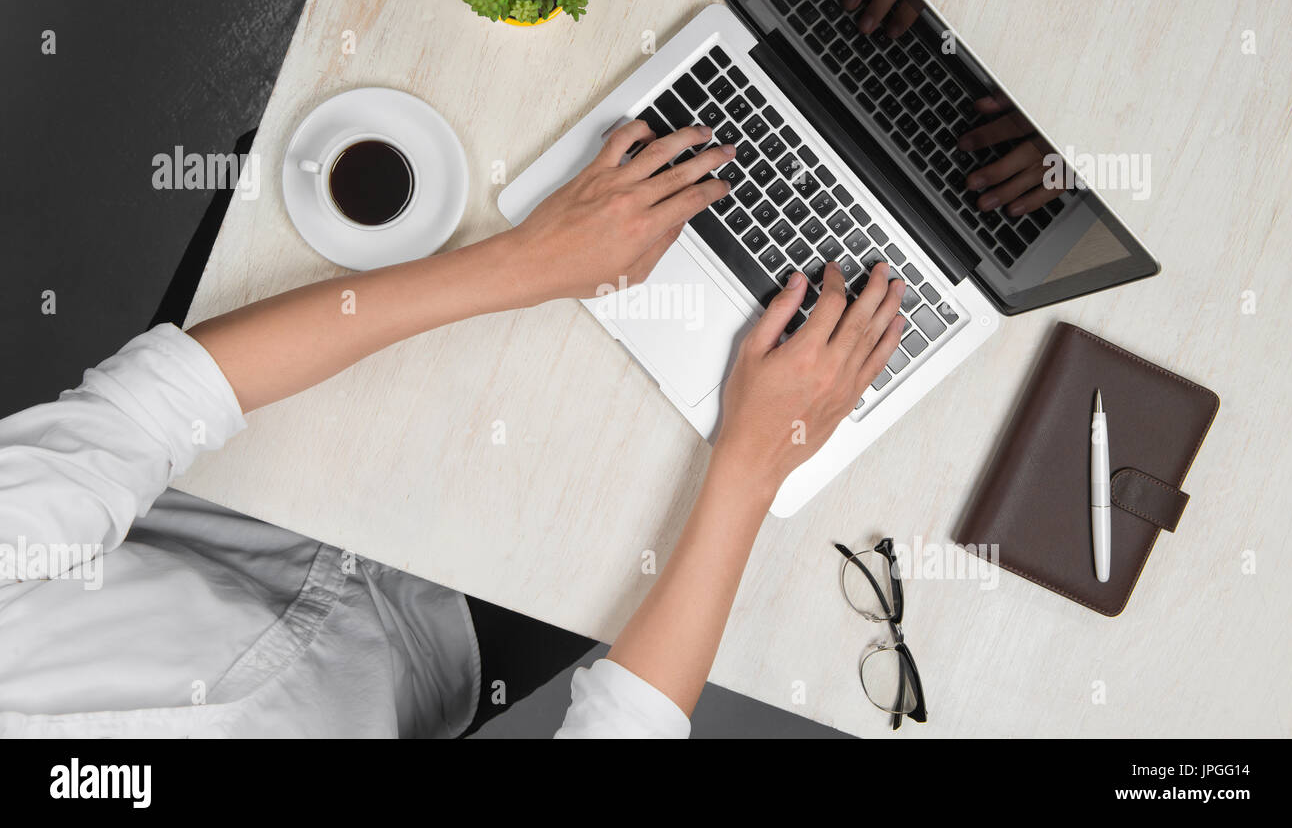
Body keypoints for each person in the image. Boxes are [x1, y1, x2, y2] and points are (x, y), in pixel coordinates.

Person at [0, 120, 904, 737]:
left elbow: (150, 404)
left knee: (358, 142)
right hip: (452, 644)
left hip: (250, 463)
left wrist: (529, 259)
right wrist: (752, 466)